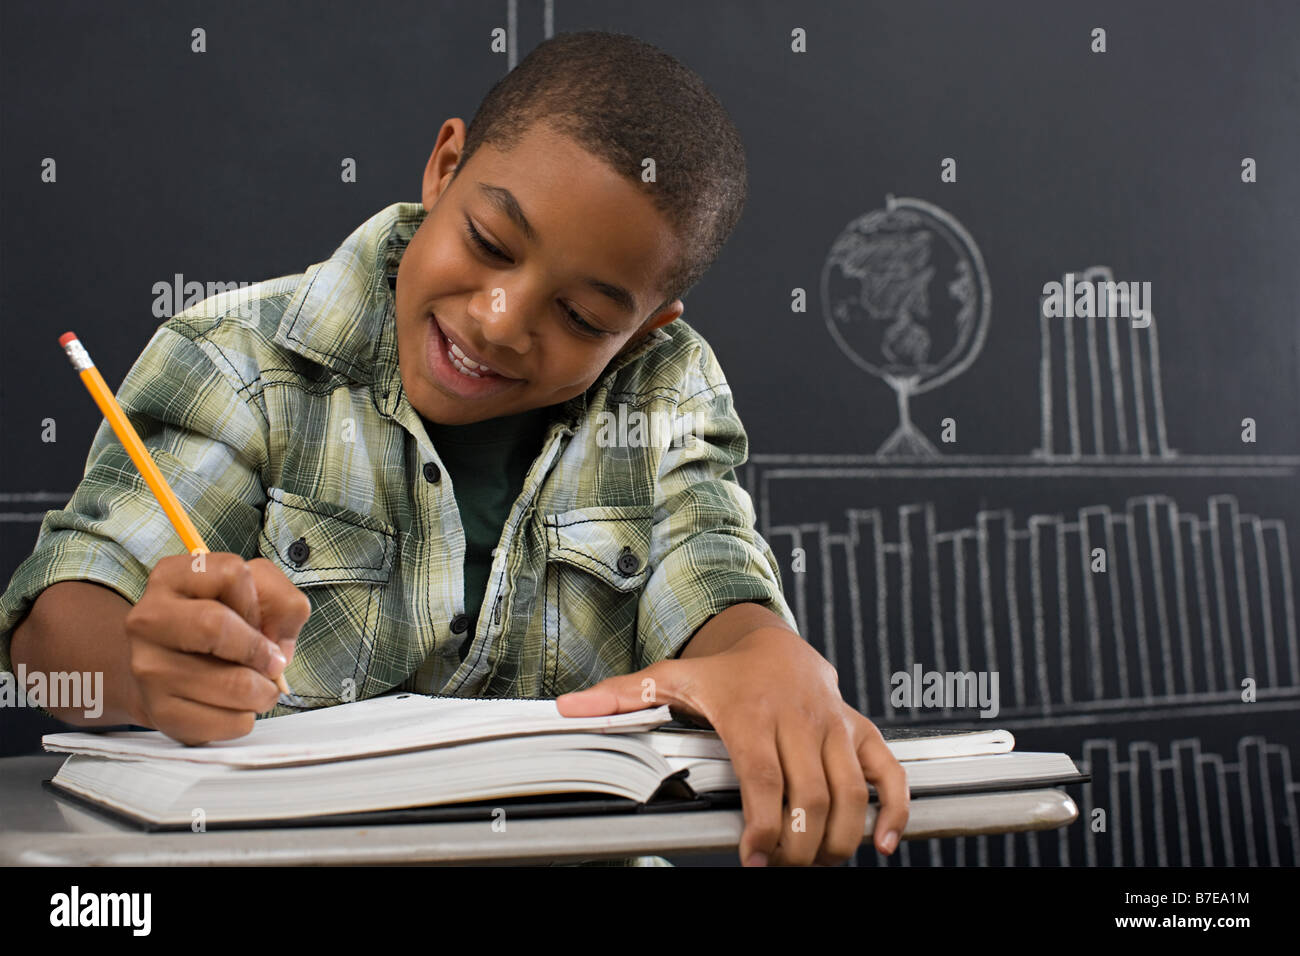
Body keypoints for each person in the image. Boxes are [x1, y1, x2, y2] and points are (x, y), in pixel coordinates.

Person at [0, 30, 907, 867]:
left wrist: (760, 652)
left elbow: (706, 562)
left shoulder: (663, 391)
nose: (500, 322)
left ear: (639, 333)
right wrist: (144, 669)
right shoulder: (240, 358)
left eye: (583, 317)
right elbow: (55, 630)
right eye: (488, 241)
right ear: (443, 168)